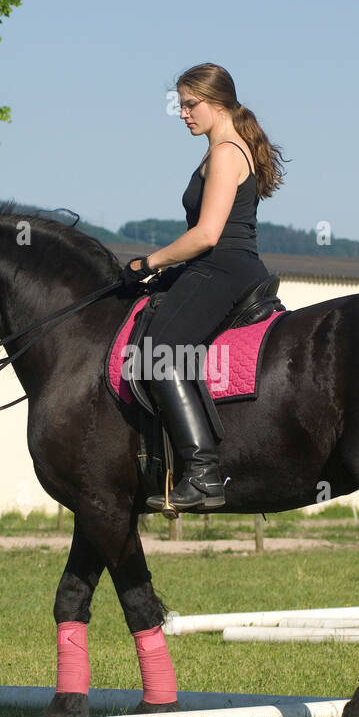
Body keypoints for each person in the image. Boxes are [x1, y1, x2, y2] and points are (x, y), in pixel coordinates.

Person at [122, 62, 285, 512]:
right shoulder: (221, 148)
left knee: (159, 351)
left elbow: (207, 234)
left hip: (221, 267)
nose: (183, 113)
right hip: (218, 267)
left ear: (216, 103)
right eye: (181, 105)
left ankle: (202, 474)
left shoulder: (227, 152)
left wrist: (148, 261)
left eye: (190, 104)